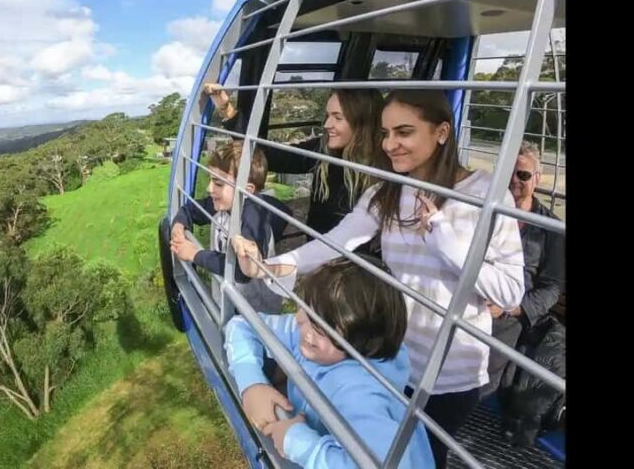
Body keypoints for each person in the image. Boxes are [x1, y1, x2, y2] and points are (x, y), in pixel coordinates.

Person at [232, 89, 525, 469]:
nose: (390, 145)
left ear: (441, 132)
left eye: (404, 132)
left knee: (425, 459)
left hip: (450, 371)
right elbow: (332, 244)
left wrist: (445, 239)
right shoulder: (384, 193)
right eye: (386, 133)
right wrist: (268, 265)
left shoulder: (486, 193)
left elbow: (511, 290)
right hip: (390, 360)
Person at [224, 259, 435, 469]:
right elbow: (243, 324)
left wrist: (297, 443)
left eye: (320, 325)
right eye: (305, 307)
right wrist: (252, 383)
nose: (298, 318)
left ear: (358, 339)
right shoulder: (310, 336)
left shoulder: (361, 396)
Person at [203, 83, 385, 237]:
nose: (327, 124)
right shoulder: (322, 151)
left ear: (363, 122)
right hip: (318, 256)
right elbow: (269, 155)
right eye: (328, 116)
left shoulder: (387, 167)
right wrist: (227, 110)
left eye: (337, 117)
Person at [483, 140, 565, 397]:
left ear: (537, 178)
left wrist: (512, 307)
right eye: (508, 173)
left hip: (510, 316)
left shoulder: (551, 230)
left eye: (524, 174)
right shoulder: (482, 212)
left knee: (483, 374)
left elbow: (552, 287)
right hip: (471, 298)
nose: (514, 180)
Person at [170, 140, 291, 313]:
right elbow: (189, 210)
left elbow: (243, 271)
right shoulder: (224, 202)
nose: (209, 188)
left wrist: (195, 254)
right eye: (211, 181)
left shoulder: (253, 217)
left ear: (247, 190)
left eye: (219, 183)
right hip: (228, 303)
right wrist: (179, 225)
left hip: (255, 315)